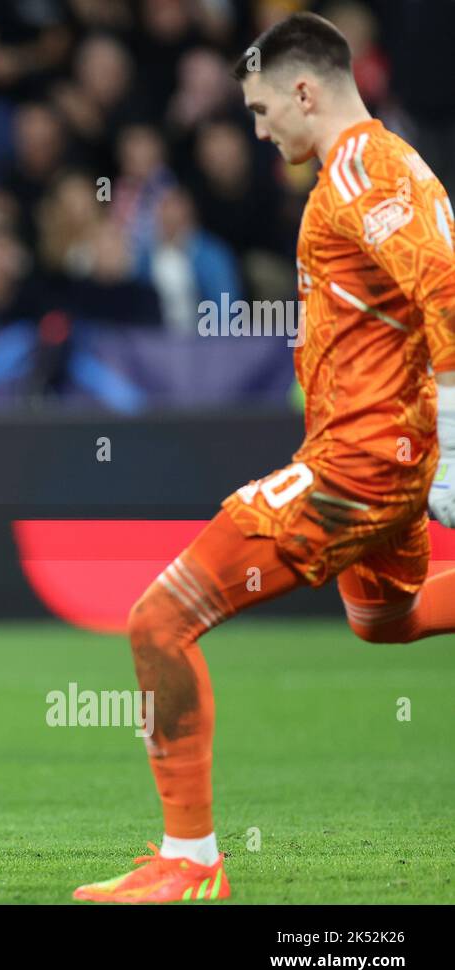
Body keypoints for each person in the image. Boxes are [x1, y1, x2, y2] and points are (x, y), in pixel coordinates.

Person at [74, 12, 455, 903]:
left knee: (157, 620)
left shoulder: (364, 165)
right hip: (378, 453)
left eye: (258, 109)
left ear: (305, 91)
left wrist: (450, 461)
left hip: (365, 463)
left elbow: (449, 289)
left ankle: (192, 859)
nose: (256, 130)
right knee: (385, 619)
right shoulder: (374, 167)